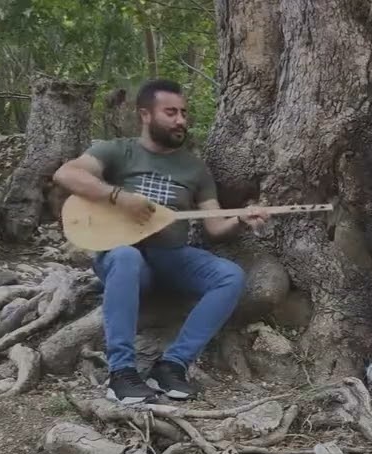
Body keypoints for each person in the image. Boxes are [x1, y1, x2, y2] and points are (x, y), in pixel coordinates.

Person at [54, 79, 268, 405]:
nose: (181, 120)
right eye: (170, 112)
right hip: (122, 257)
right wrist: (118, 197)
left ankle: (172, 365)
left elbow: (214, 227)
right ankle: (122, 373)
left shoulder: (194, 168)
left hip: (171, 256)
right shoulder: (118, 151)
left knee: (230, 275)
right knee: (126, 257)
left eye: (183, 112)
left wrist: (240, 219)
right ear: (145, 114)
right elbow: (67, 174)